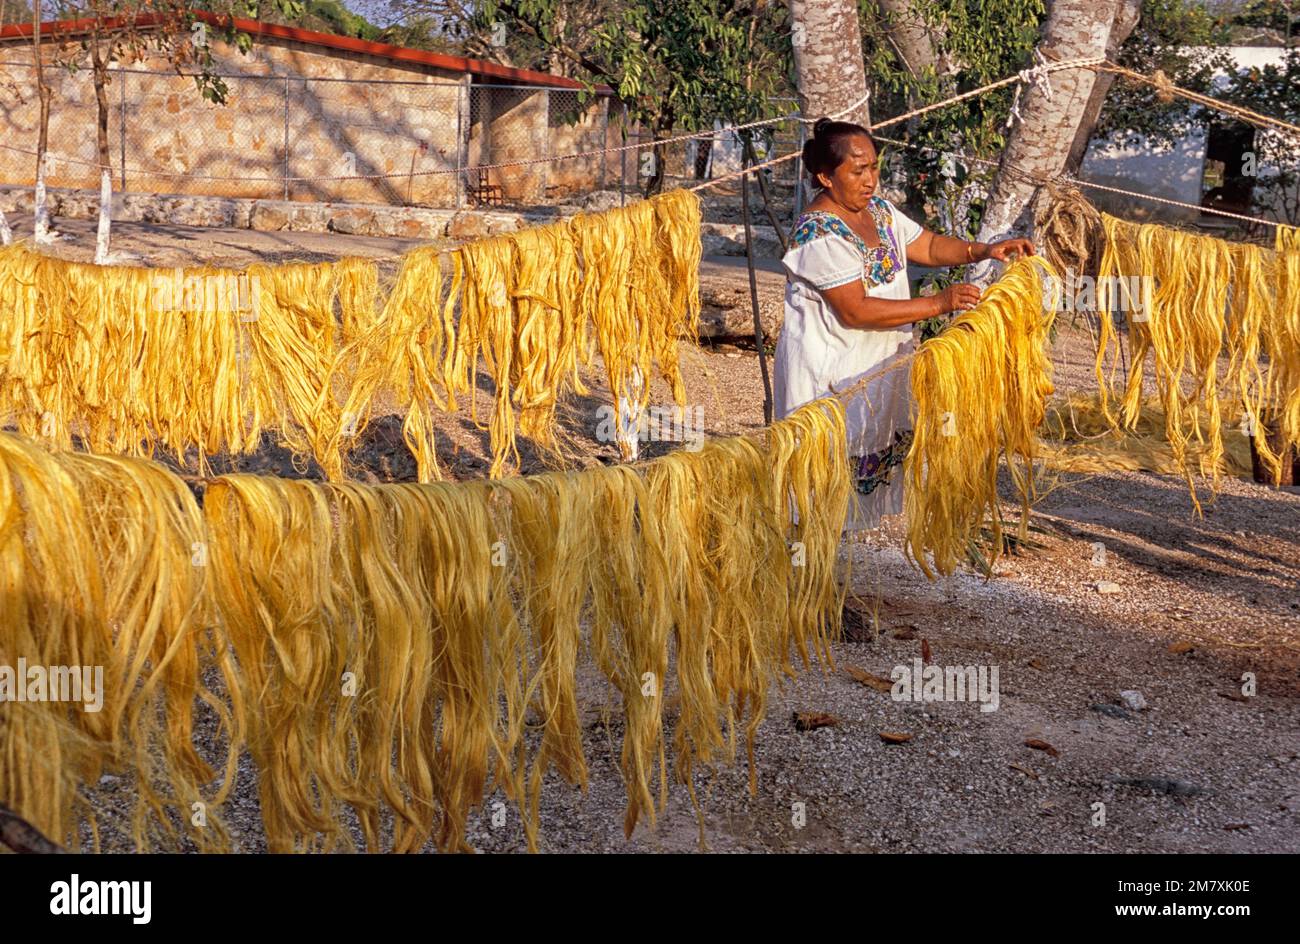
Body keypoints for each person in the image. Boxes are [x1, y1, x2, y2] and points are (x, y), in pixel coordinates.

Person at [775, 117, 1035, 530]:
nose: (870, 179)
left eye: (874, 167)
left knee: (852, 483)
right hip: (829, 373)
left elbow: (926, 245)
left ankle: (825, 580)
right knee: (817, 485)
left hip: (871, 368)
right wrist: (938, 303)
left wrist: (984, 249)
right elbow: (855, 310)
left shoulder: (877, 210)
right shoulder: (818, 233)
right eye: (857, 171)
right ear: (825, 177)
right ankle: (802, 582)